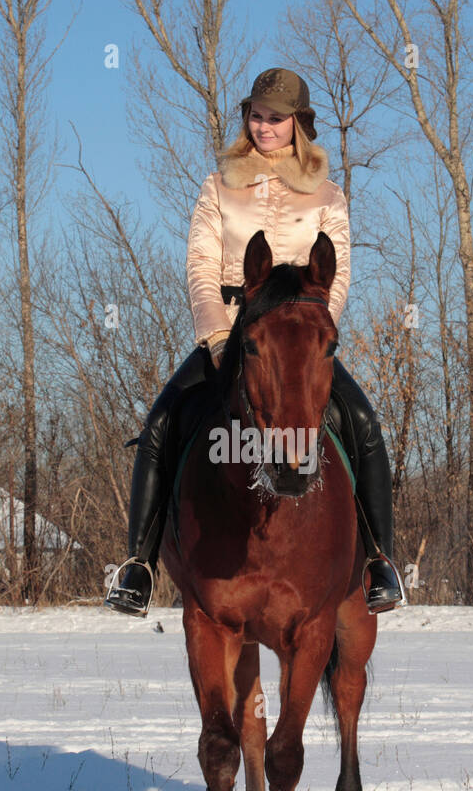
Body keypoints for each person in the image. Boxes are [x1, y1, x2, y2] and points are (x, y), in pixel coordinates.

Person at [106, 67, 405, 616]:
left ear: (299, 124)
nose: (263, 126)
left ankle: (378, 561)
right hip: (230, 337)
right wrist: (218, 334)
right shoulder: (217, 186)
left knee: (363, 423)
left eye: (276, 118)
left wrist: (313, 341)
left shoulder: (328, 194)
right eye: (256, 116)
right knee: (160, 425)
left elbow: (334, 276)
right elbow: (200, 262)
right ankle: (138, 567)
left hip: (300, 344)